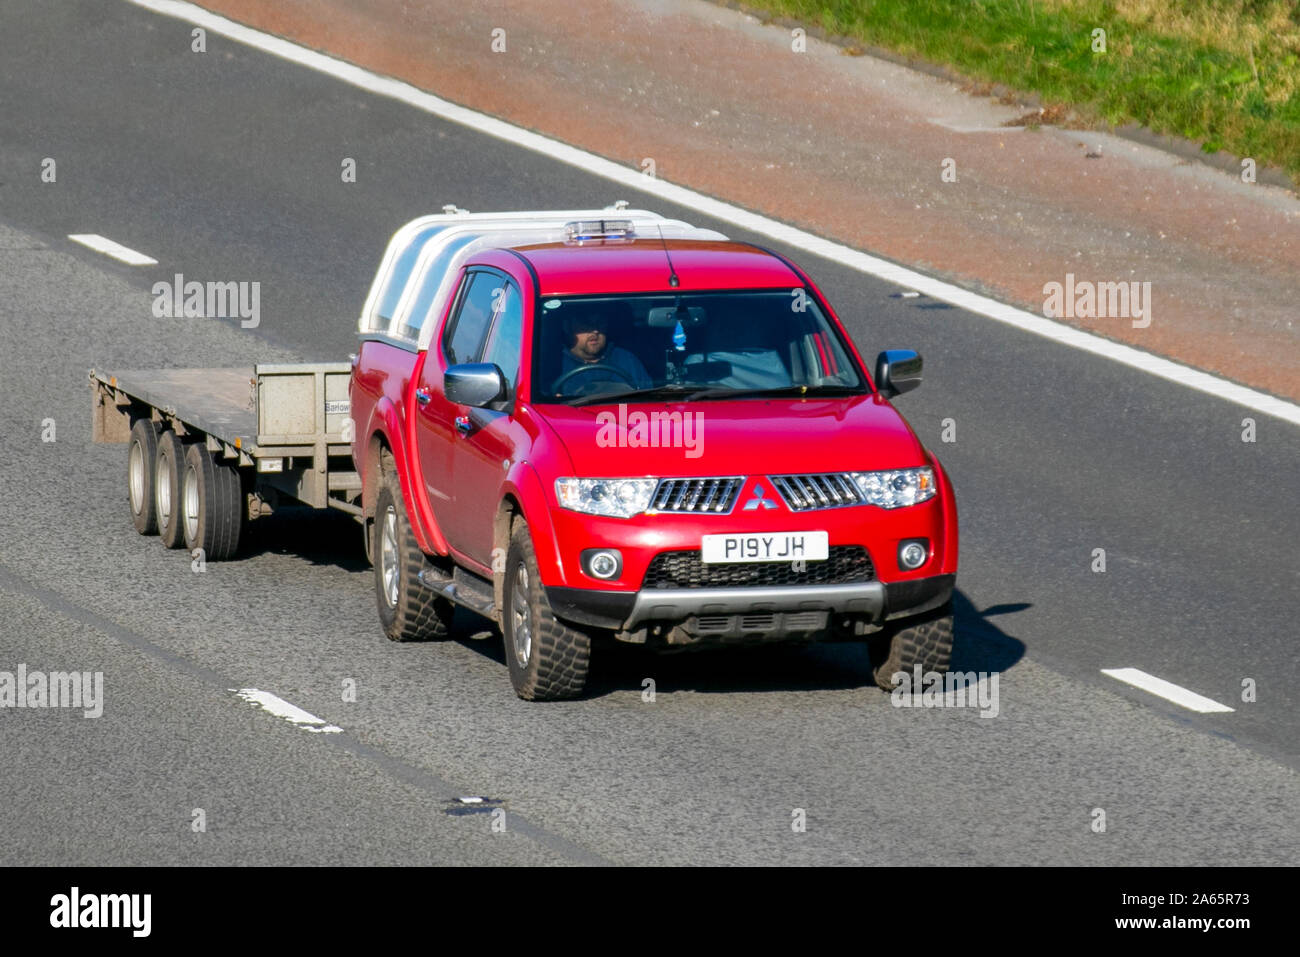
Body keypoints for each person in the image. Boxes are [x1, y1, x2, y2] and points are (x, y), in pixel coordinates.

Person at [554, 310, 652, 396]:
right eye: (586, 324)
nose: (595, 330)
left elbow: (647, 397)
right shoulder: (556, 363)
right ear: (567, 327)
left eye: (600, 323)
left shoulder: (626, 359)